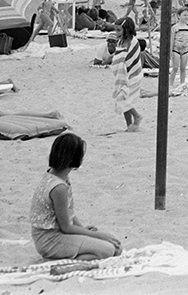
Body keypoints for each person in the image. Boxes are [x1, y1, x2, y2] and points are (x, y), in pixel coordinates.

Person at [30, 133, 123, 261]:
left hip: (55, 234)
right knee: (108, 250)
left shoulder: (58, 176)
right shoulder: (58, 187)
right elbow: (66, 227)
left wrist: (83, 229)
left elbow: (68, 213)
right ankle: (63, 260)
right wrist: (96, 235)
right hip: (49, 239)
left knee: (116, 248)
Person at [105, 18, 142, 132]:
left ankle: (137, 116)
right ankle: (129, 125)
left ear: (127, 29)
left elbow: (131, 58)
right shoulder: (120, 41)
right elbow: (118, 55)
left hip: (133, 74)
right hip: (122, 75)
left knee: (123, 99)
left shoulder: (133, 42)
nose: (117, 33)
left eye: (119, 30)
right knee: (124, 99)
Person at [170, 5, 188, 88]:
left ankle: (182, 83)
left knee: (183, 68)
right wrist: (170, 51)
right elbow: (172, 40)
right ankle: (171, 83)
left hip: (186, 50)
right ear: (179, 16)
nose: (186, 17)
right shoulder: (175, 28)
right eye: (184, 15)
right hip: (176, 49)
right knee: (175, 67)